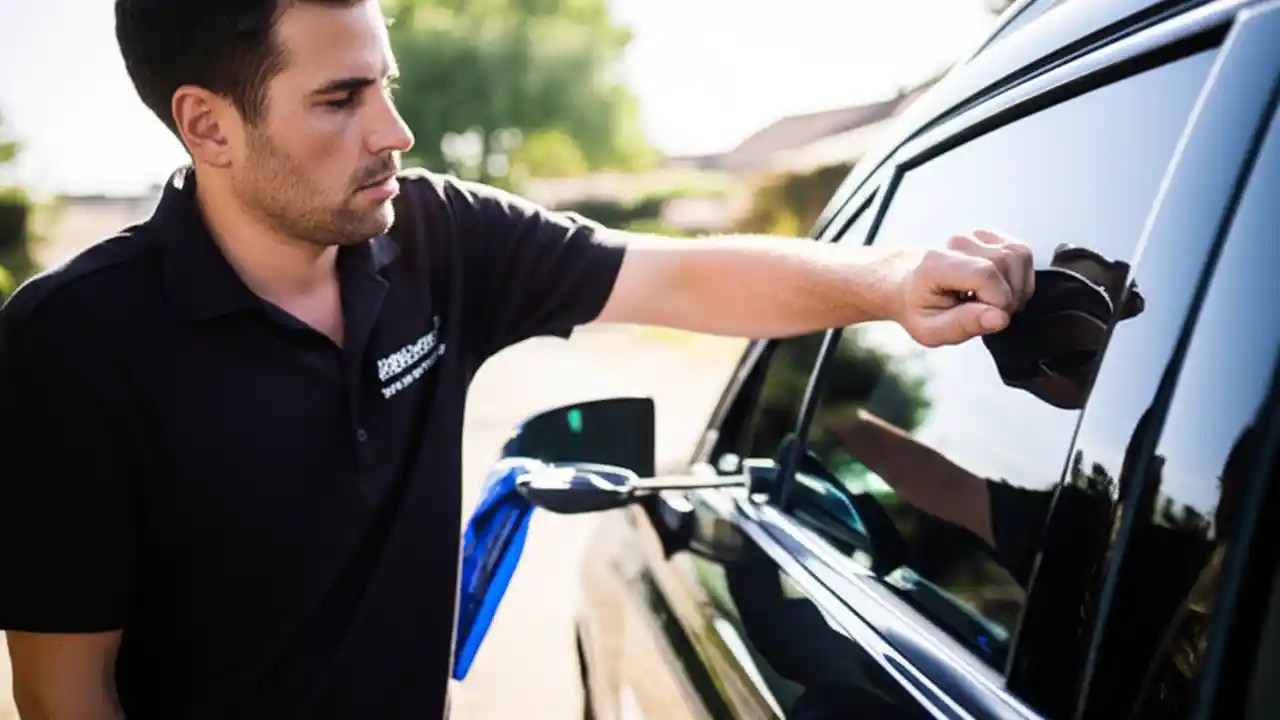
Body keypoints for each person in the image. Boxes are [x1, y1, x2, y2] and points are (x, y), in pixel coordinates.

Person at [0, 1, 1035, 718]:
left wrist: (891, 283)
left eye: (386, 85)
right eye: (339, 98)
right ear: (207, 125)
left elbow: (676, 278)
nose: (395, 131)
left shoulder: (439, 239)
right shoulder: (74, 348)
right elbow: (63, 692)